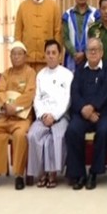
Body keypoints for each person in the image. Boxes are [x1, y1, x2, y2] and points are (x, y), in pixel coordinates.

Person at [0, 41, 37, 191]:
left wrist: (15, 107)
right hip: (5, 116)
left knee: (20, 135)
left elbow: (30, 93)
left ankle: (18, 175)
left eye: (19, 54)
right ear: (10, 57)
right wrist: (5, 105)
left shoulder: (30, 73)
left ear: (25, 56)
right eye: (13, 54)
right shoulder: (6, 74)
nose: (16, 57)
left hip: (22, 118)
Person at [64, 38, 107, 190]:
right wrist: (83, 109)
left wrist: (92, 107)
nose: (92, 52)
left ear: (102, 52)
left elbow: (106, 92)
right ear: (85, 53)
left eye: (96, 50)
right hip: (82, 112)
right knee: (72, 130)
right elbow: (75, 91)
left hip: (102, 112)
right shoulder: (80, 69)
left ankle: (94, 172)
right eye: (89, 50)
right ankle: (79, 173)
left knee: (104, 130)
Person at [26, 40, 73, 189]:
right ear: (44, 55)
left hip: (60, 116)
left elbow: (67, 100)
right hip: (43, 116)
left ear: (60, 56)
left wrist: (55, 116)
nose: (51, 56)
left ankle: (52, 173)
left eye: (54, 53)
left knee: (56, 137)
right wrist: (42, 115)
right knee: (33, 135)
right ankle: (41, 172)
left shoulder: (67, 74)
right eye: (48, 53)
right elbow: (37, 99)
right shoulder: (40, 75)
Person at [15, 0, 62, 72]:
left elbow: (58, 32)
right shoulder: (23, 6)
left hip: (47, 59)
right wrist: (18, 55)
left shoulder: (53, 6)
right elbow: (18, 33)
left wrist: (58, 56)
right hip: (27, 59)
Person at [62, 0, 100, 72]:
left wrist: (84, 53)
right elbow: (65, 38)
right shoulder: (67, 15)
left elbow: (97, 37)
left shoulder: (96, 14)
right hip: (71, 58)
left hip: (91, 56)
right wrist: (74, 53)